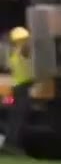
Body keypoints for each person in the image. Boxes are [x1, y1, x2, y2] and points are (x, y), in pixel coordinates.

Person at [4, 26, 33, 154]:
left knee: (16, 117)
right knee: (19, 117)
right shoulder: (22, 50)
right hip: (23, 88)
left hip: (17, 87)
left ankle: (11, 143)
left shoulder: (13, 53)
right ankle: (12, 144)